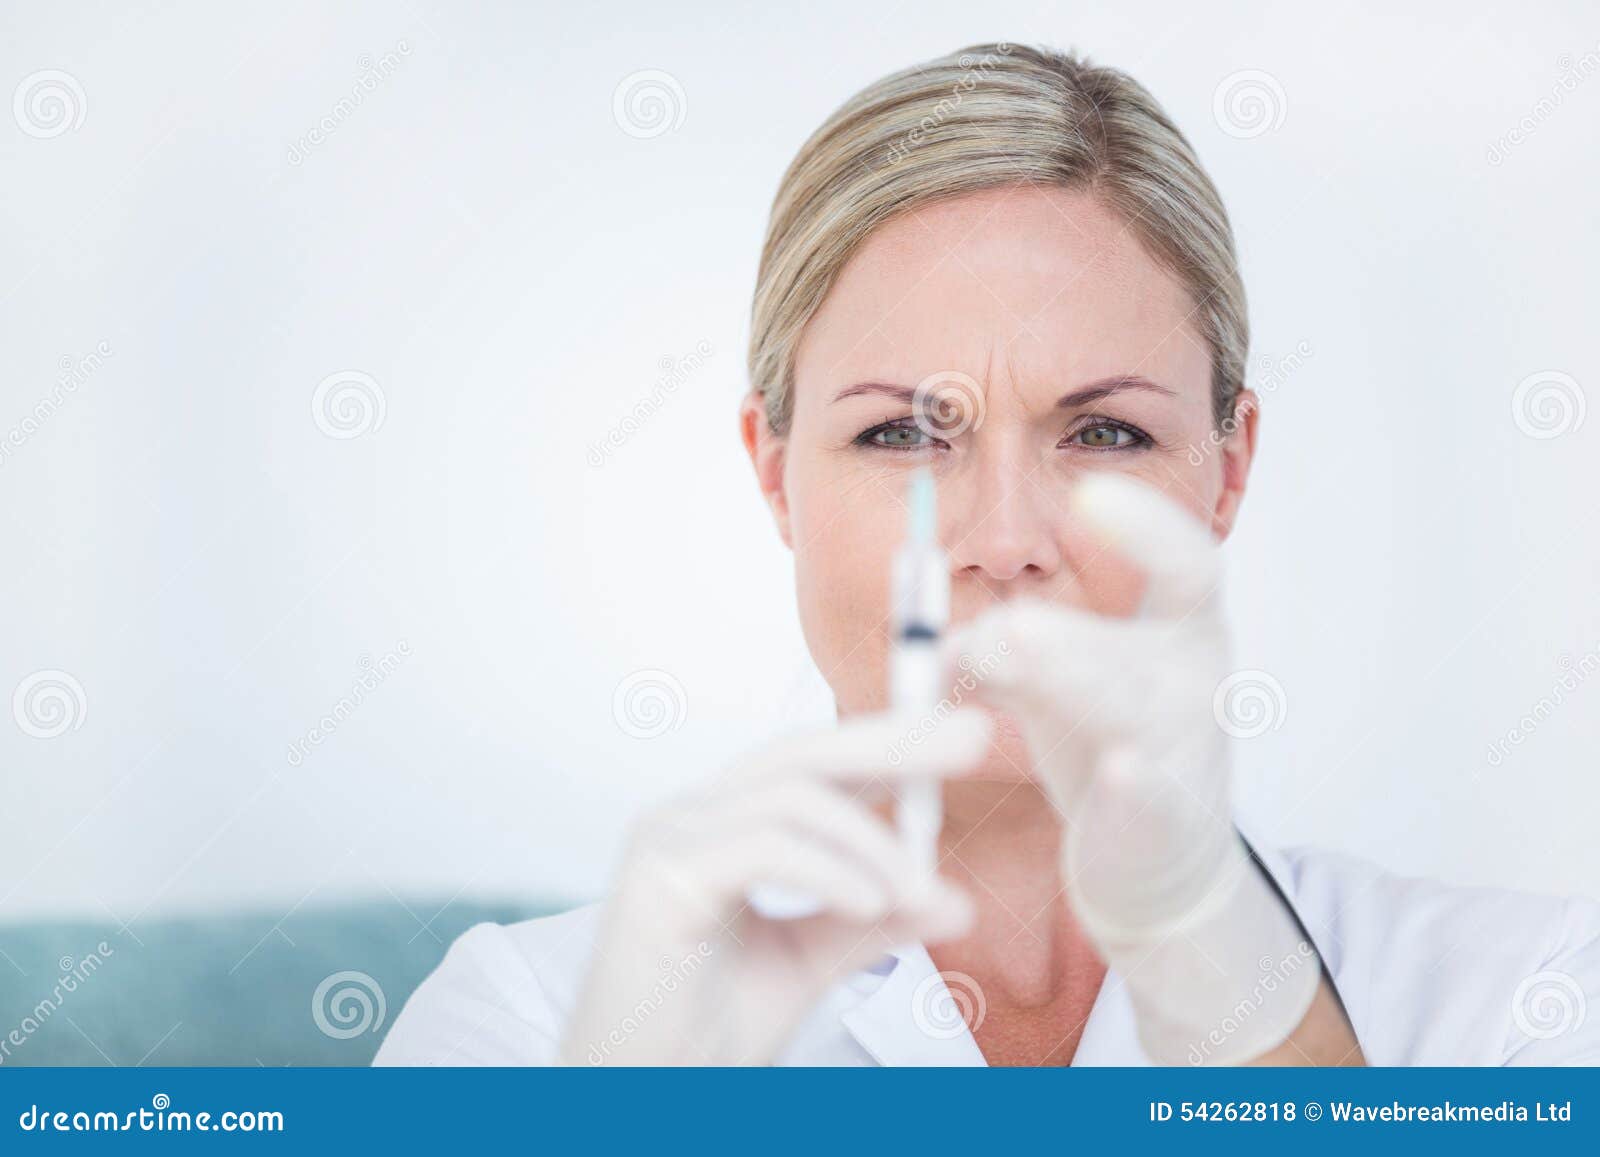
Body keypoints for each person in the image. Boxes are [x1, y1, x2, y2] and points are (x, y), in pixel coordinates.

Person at [375, 42, 1600, 1067]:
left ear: (1225, 470)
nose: (1006, 541)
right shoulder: (531, 1026)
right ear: (772, 471)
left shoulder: (1517, 1002)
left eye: (1105, 430)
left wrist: (1209, 942)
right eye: (902, 431)